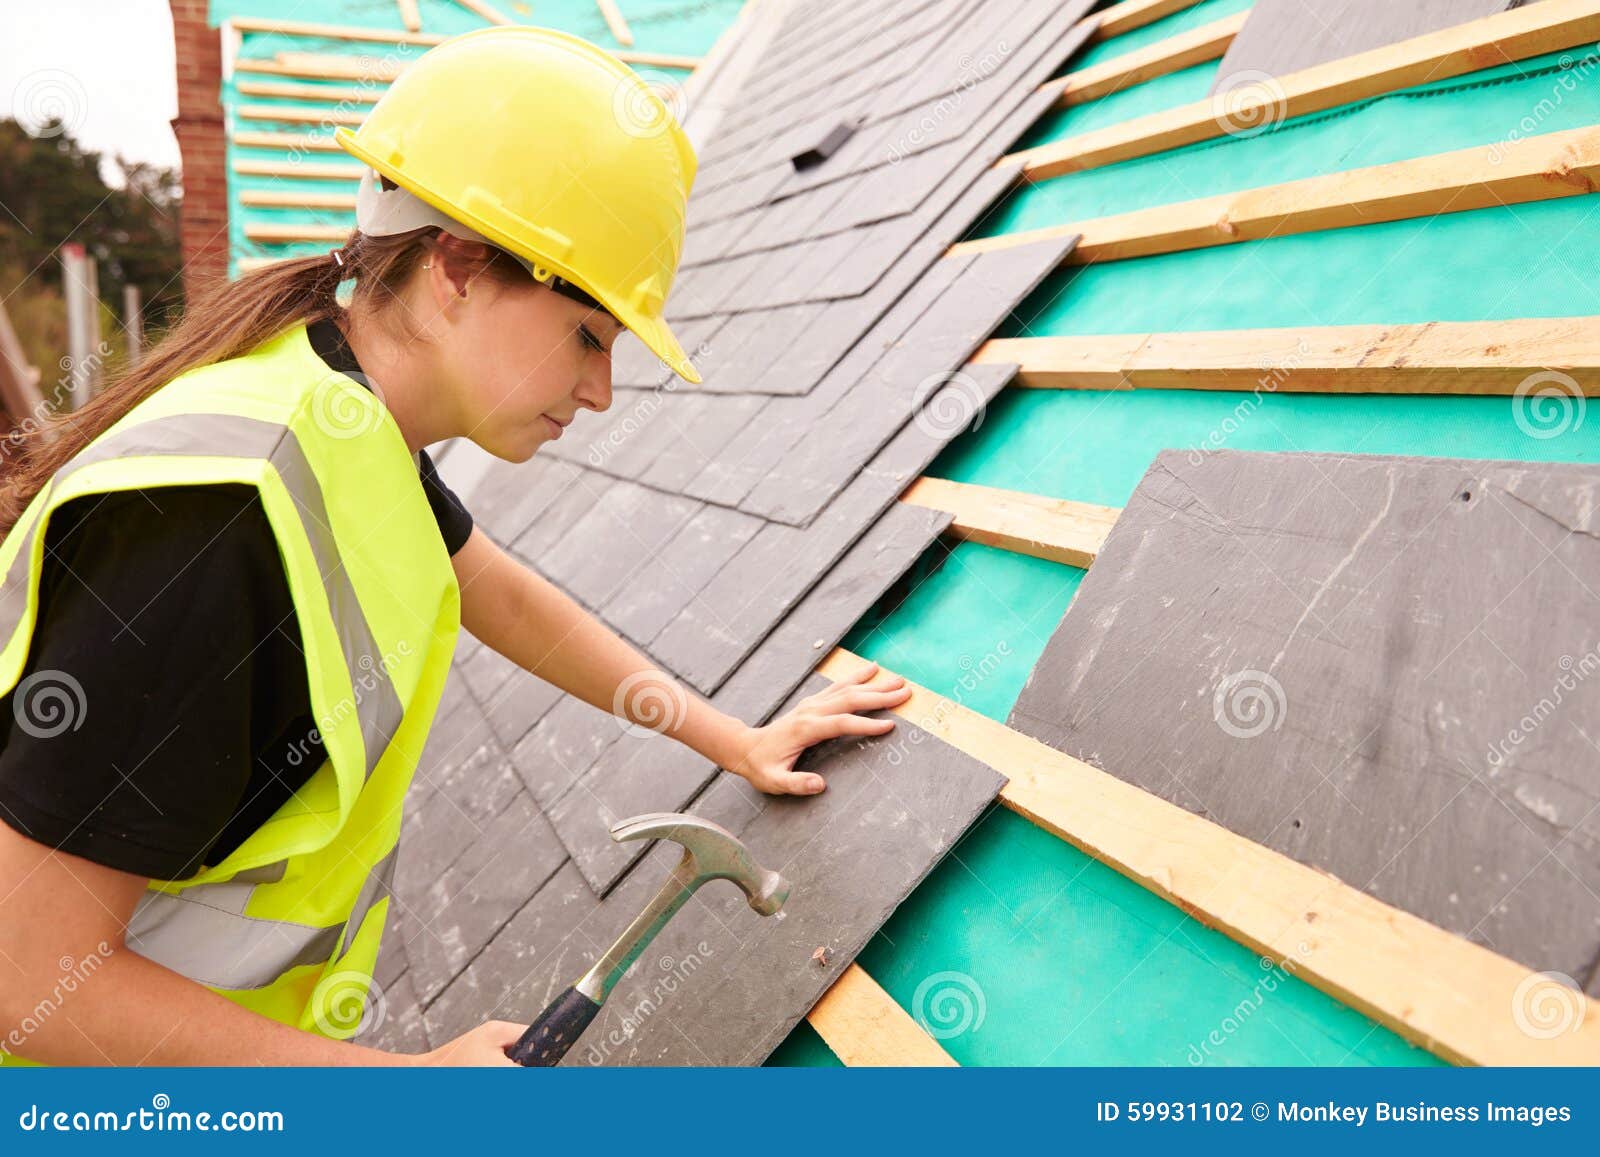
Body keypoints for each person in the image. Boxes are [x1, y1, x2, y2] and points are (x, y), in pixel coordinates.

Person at [0, 27, 909, 1066]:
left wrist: (729, 737)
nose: (602, 391)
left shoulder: (343, 420)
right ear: (460, 267)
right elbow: (27, 978)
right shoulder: (217, 523)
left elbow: (502, 596)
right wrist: (408, 1090)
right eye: (588, 335)